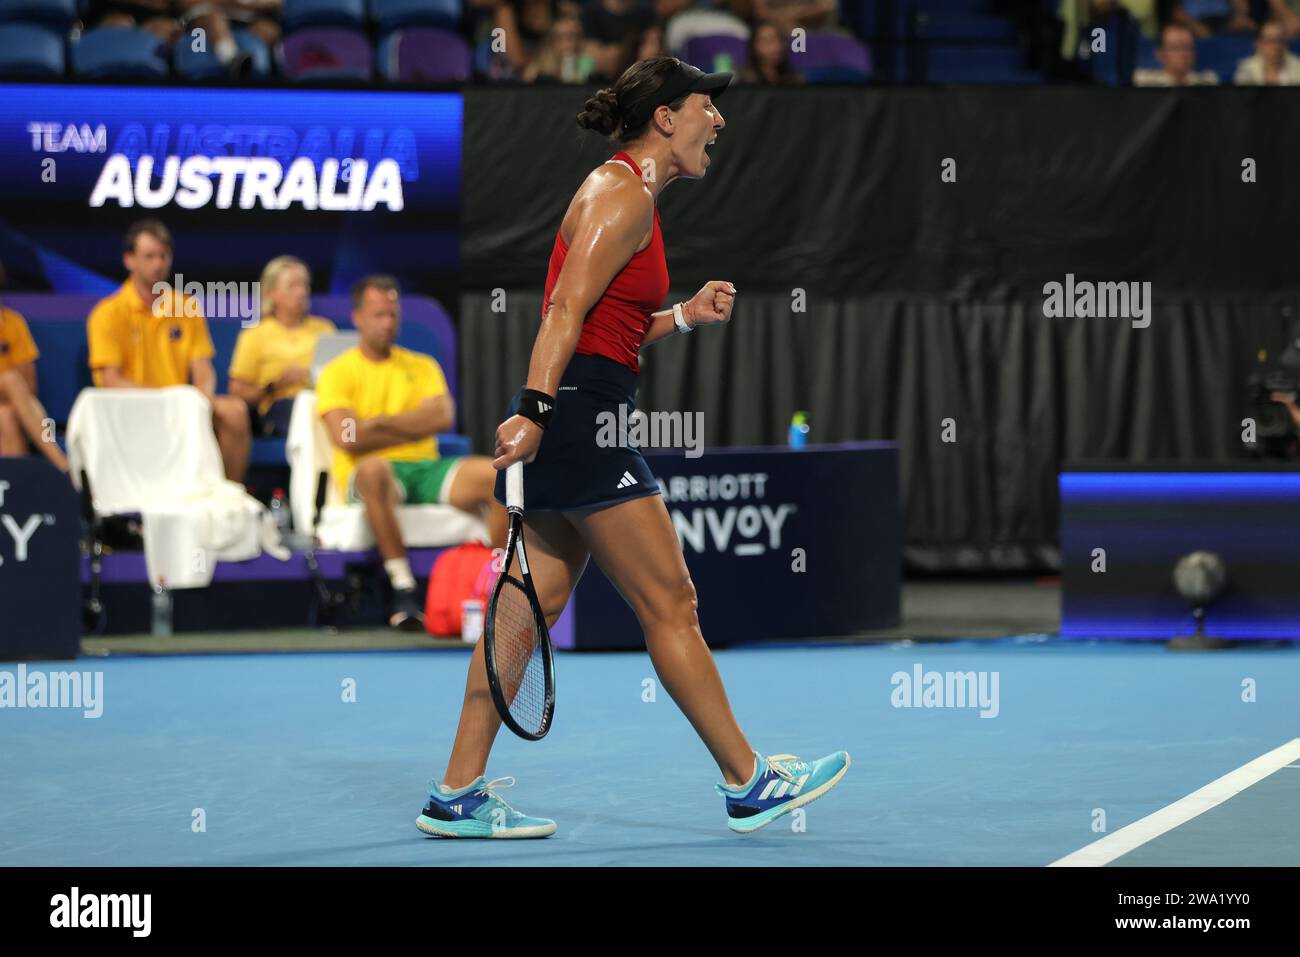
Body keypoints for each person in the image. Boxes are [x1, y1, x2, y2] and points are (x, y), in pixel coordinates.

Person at [416, 57, 849, 839]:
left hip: (575, 411)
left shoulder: (628, 194)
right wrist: (539, 411)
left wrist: (681, 316)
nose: (717, 120)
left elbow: (605, 326)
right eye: (704, 108)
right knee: (670, 601)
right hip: (582, 422)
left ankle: (457, 791)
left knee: (527, 611)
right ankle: (747, 780)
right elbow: (562, 311)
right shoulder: (621, 195)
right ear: (665, 119)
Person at [315, 277, 508, 631]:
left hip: (426, 468)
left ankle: (496, 582)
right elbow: (347, 437)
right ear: (357, 317)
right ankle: (403, 586)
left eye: (392, 314)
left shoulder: (423, 365)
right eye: (378, 315)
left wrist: (375, 425)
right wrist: (412, 422)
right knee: (374, 470)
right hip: (375, 474)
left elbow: (443, 417)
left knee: (500, 475)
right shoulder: (337, 371)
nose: (387, 322)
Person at [87, 219, 251, 483]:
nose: (157, 264)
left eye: (163, 256)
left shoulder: (186, 306)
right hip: (131, 407)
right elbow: (111, 380)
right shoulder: (107, 313)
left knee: (235, 412)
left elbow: (203, 367)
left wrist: (202, 398)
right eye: (149, 256)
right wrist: (169, 399)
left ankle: (226, 497)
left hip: (182, 406)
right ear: (129, 260)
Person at [228, 256, 336, 437]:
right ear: (271, 293)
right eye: (292, 286)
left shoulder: (325, 328)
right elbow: (237, 392)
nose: (301, 292)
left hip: (324, 402)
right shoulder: (255, 335)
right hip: (281, 408)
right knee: (306, 413)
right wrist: (275, 385)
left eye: (304, 285)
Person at [0, 264, 68, 473]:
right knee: (10, 379)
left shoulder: (13, 323)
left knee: (6, 416)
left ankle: (14, 498)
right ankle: (63, 466)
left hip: (12, 407)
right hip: (12, 394)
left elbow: (29, 388)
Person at [1133, 22, 1220, 83]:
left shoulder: (1207, 82)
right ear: (1160, 54)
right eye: (1176, 48)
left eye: (1188, 48)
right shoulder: (1144, 82)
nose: (1184, 54)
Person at [1233, 19, 1300, 83]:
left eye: (1281, 40)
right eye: (1270, 41)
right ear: (1258, 44)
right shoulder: (1246, 70)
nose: (1277, 46)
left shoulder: (1298, 67)